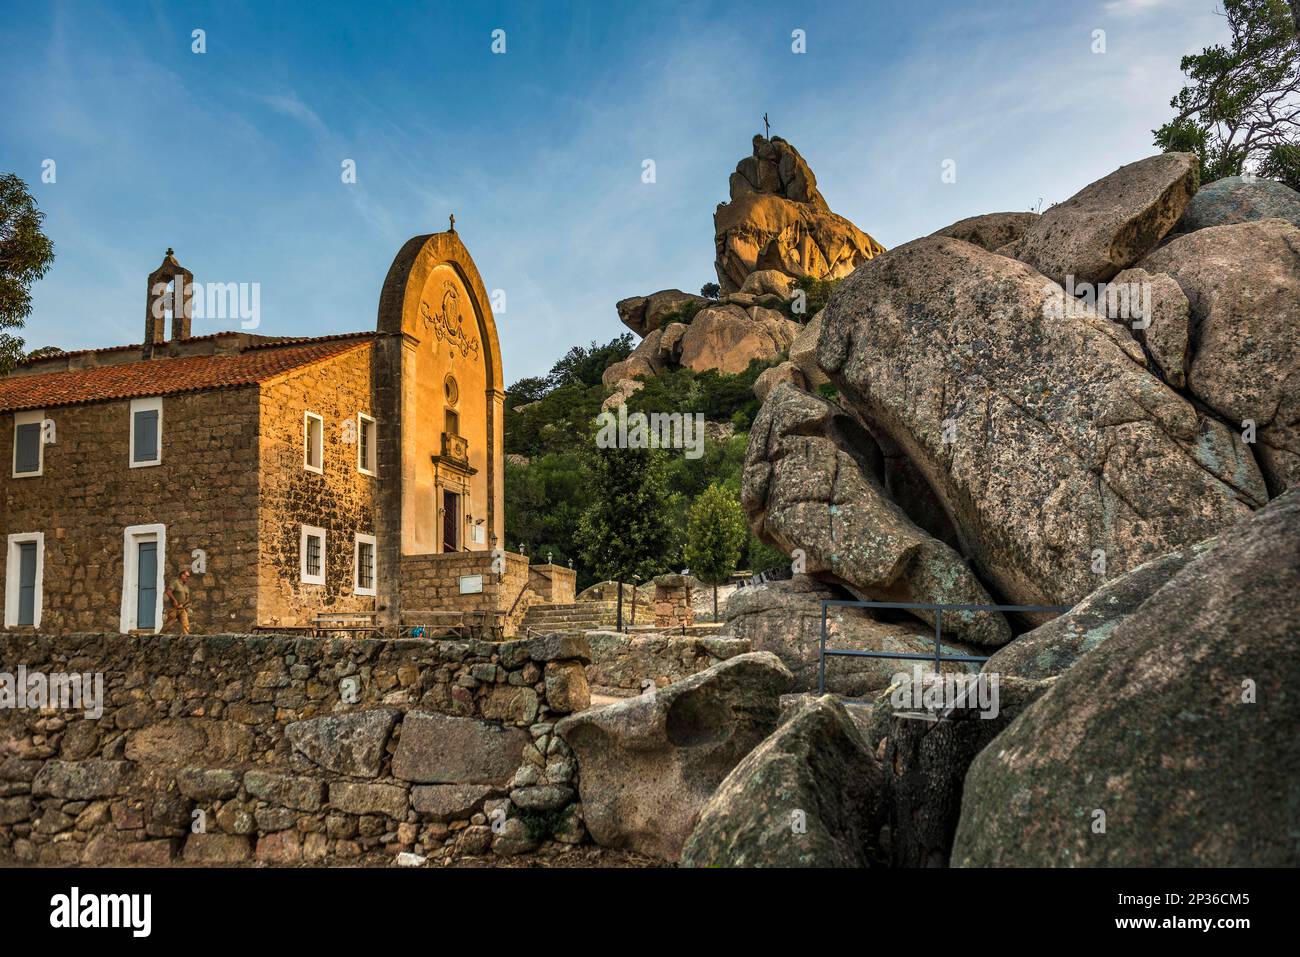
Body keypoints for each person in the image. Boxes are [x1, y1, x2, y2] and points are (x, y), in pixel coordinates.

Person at [163, 567, 193, 635]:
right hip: (173, 609)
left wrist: (183, 604)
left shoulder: (186, 587)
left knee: (186, 625)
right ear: (182, 575)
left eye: (188, 576)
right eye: (187, 576)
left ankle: (187, 638)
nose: (187, 578)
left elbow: (187, 598)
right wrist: (174, 600)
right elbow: (168, 592)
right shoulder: (175, 583)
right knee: (168, 625)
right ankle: (158, 637)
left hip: (182, 609)